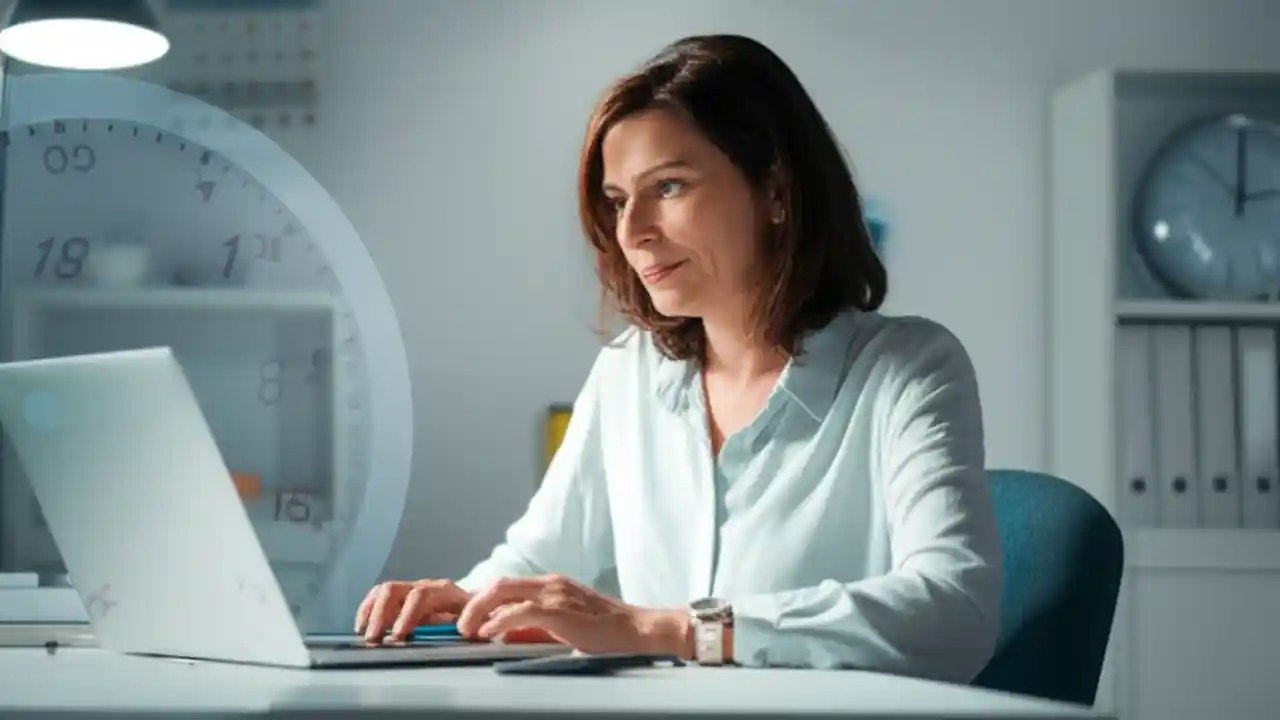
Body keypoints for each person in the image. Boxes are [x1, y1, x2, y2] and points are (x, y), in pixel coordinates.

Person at [354, 33, 1002, 683]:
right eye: (616, 201)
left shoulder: (908, 369)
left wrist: (668, 629)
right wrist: (463, 602)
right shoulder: (628, 369)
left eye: (668, 186)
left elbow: (954, 610)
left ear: (776, 191)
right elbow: (542, 554)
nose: (633, 231)